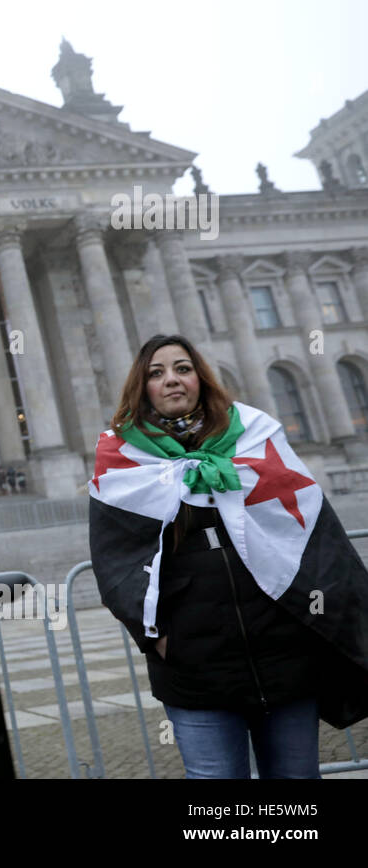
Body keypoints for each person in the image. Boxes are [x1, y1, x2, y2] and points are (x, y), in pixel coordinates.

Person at [89, 333, 368, 779]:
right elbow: (115, 565)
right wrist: (158, 638)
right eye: (156, 373)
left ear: (200, 378)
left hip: (283, 659)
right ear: (142, 389)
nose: (172, 380)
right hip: (194, 668)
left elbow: (314, 536)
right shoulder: (125, 463)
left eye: (183, 368)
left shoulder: (255, 436)